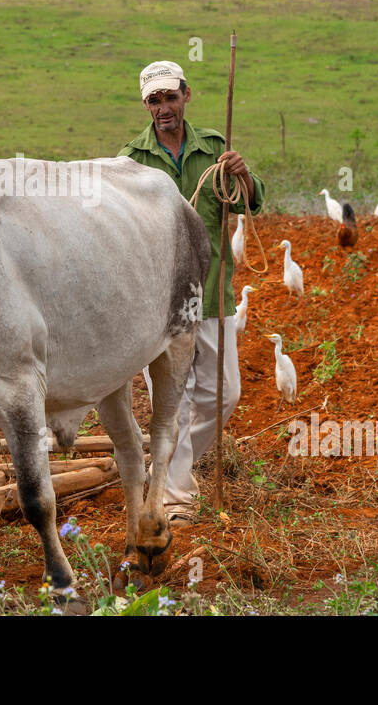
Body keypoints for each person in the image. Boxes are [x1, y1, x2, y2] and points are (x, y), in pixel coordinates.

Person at [119, 60, 264, 525]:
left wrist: (243, 174)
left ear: (186, 95)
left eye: (171, 97)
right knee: (172, 403)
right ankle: (176, 495)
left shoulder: (215, 150)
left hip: (212, 292)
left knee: (224, 395)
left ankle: (172, 472)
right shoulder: (130, 162)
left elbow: (252, 200)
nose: (164, 108)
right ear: (146, 104)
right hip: (156, 304)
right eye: (155, 100)